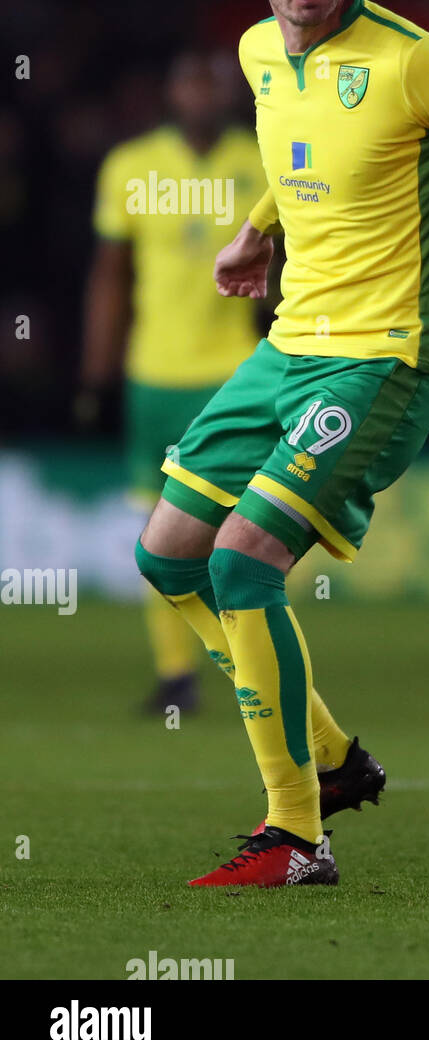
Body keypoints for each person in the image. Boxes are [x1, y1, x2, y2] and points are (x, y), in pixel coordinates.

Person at [134, 0, 429, 888]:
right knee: (169, 554)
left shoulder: (418, 63)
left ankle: (297, 834)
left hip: (383, 360)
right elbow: (300, 153)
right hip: (284, 347)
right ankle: (334, 758)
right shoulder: (258, 54)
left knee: (241, 566)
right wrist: (254, 230)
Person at [81, 51, 266, 716]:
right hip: (153, 377)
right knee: (155, 531)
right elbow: (110, 275)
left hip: (236, 376)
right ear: (169, 91)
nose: (200, 94)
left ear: (227, 94)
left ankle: (252, 660)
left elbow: (300, 260)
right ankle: (175, 673)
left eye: (211, 82)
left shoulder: (261, 161)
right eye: (188, 81)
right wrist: (96, 373)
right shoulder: (130, 167)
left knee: (246, 530)